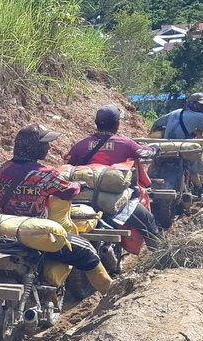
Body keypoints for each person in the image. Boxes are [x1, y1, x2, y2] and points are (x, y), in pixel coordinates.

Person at [0, 124, 113, 293]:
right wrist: (79, 186)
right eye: (45, 143)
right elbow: (68, 191)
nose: (48, 146)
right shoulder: (45, 173)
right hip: (36, 234)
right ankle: (110, 293)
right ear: (34, 147)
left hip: (2, 232)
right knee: (87, 252)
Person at [64, 105, 163, 245]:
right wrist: (155, 148)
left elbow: (69, 166)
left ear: (96, 123)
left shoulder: (81, 145)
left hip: (81, 198)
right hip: (115, 199)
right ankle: (162, 259)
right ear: (117, 124)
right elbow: (146, 153)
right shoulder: (126, 143)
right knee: (149, 222)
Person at [158, 93, 203, 199]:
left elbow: (157, 123)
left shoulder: (175, 112)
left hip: (165, 149)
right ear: (193, 104)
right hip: (185, 151)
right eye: (201, 105)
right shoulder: (198, 117)